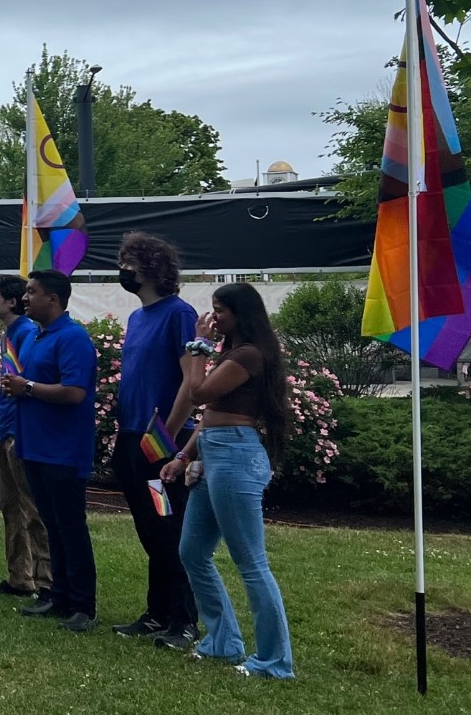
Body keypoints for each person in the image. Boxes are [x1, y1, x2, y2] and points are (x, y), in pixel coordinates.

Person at [160, 283, 295, 678]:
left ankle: (274, 662)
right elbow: (209, 416)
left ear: (242, 314)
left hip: (237, 456)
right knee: (192, 551)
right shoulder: (232, 353)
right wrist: (184, 456)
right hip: (215, 452)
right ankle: (223, 640)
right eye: (213, 308)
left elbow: (198, 394)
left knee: (251, 563)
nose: (214, 316)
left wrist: (198, 346)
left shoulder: (251, 355)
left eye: (221, 310)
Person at [109, 231, 200, 645]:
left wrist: (165, 442)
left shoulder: (179, 314)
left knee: (167, 527)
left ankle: (185, 618)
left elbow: (191, 382)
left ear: (152, 268)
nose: (123, 269)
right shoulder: (135, 318)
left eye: (130, 261)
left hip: (160, 445)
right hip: (130, 440)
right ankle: (157, 611)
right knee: (149, 528)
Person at [3, 269, 100, 633]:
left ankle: (83, 606)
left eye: (31, 292)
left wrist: (26, 387)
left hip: (64, 449)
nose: (25, 298)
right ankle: (58, 595)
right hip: (35, 447)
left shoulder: (73, 338)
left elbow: (74, 392)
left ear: (54, 299)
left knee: (71, 527)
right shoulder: (37, 337)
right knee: (52, 525)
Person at [0, 275, 50, 598]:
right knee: (11, 507)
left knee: (32, 510)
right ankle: (20, 578)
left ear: (12, 302)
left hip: (22, 432)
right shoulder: (10, 334)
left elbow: (27, 383)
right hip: (6, 428)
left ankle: (46, 582)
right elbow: (9, 387)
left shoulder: (28, 333)